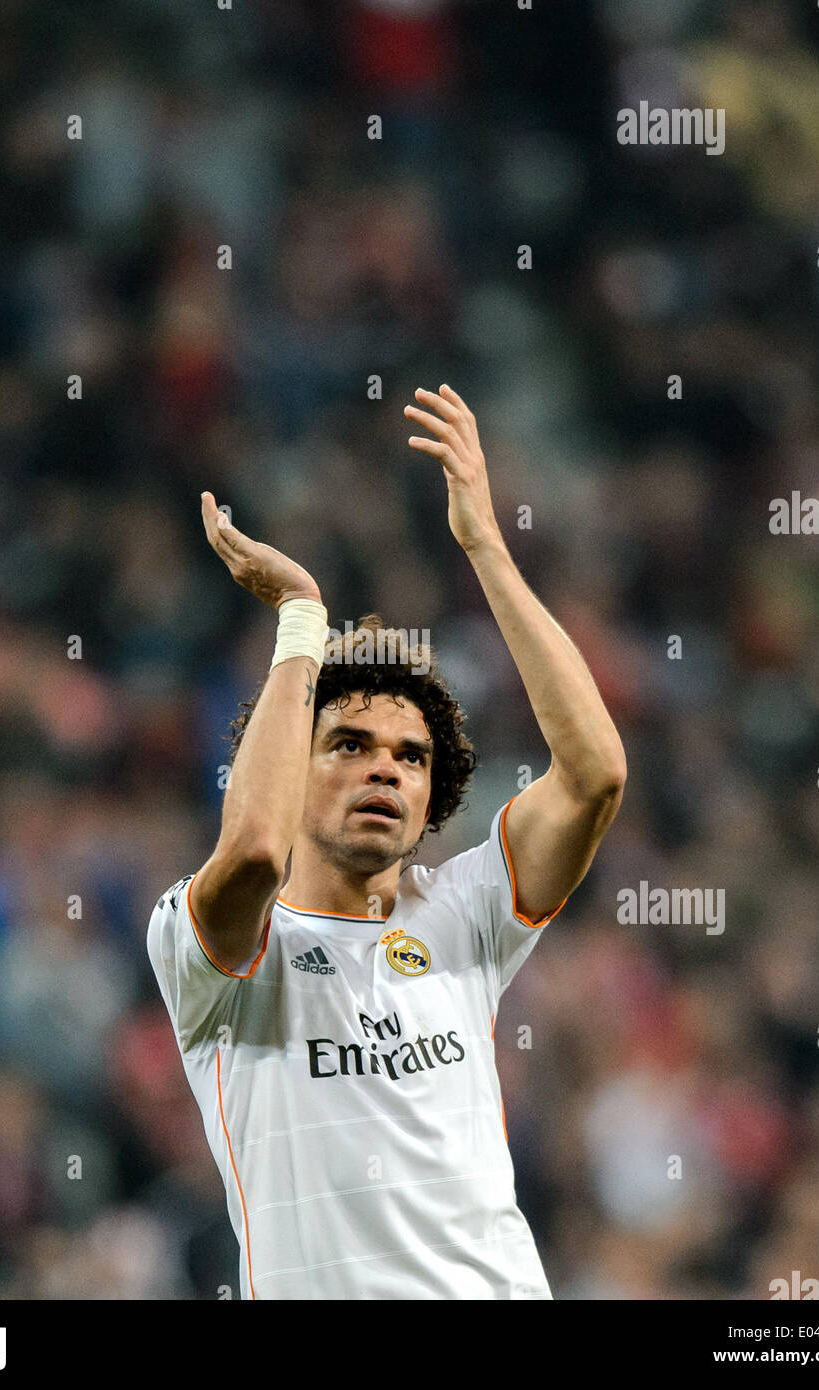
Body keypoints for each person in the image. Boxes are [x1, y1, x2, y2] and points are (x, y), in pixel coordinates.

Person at [148, 384, 626, 1299]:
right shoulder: (216, 954)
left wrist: (484, 546)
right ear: (291, 765)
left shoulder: (467, 914)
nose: (387, 769)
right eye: (350, 745)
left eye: (410, 756)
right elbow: (252, 849)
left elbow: (595, 773)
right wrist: (301, 620)